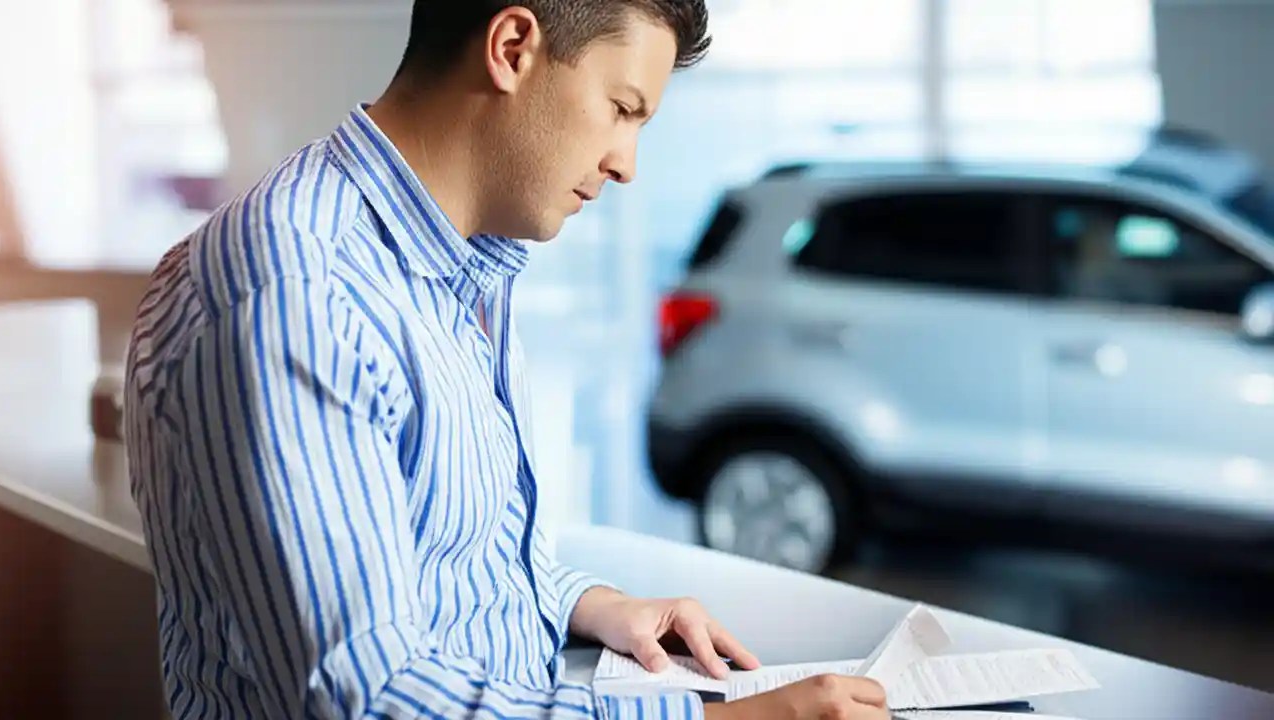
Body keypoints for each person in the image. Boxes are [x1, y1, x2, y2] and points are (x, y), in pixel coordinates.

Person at [124, 1, 889, 718]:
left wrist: (589, 605)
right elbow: (372, 697)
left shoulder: (461, 265)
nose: (627, 164)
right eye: (622, 109)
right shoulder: (296, 296)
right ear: (512, 47)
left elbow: (441, 556)